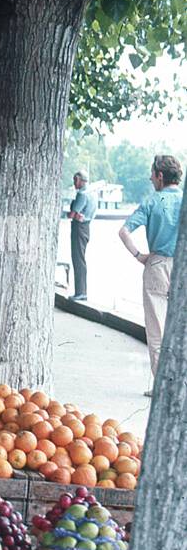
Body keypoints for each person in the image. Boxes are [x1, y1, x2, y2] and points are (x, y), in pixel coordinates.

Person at [118, 154, 182, 395]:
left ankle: (163, 388)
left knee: (157, 332)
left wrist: (139, 255)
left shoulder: (152, 201)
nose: (150, 178)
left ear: (160, 175)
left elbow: (124, 232)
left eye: (152, 174)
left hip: (157, 266)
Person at [68, 171, 96, 301]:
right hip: (87, 226)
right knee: (81, 259)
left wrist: (71, 213)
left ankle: (80, 292)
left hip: (79, 227)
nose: (74, 183)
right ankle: (82, 291)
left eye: (75, 180)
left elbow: (72, 214)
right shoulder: (93, 194)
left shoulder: (82, 194)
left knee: (77, 259)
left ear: (80, 180)